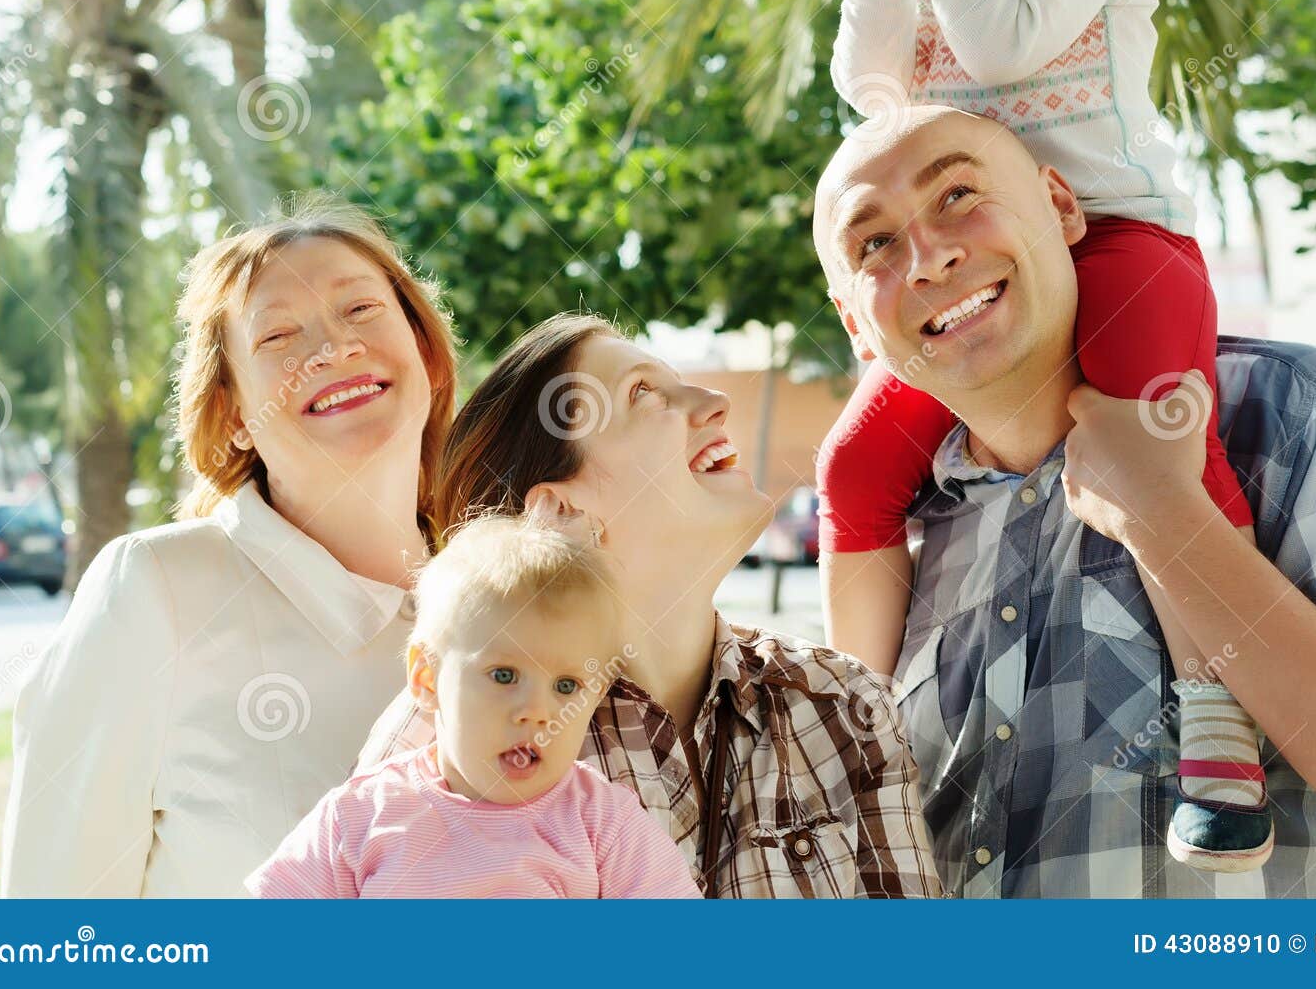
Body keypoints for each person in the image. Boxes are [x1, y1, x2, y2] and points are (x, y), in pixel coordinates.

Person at [821, 0, 1271, 871]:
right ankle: (864, 747)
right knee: (856, 469)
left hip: (1119, 245)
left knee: (1150, 450)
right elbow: (870, 81)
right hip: (992, 271)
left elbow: (1008, 42)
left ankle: (1220, 727)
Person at [812, 104, 1316, 896]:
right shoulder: (904, 530)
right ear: (855, 321)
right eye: (875, 242)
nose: (928, 255)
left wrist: (1165, 516)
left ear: (1061, 207)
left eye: (957, 193)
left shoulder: (1283, 406)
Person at [355, 313, 940, 898]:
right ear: (560, 514)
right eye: (644, 393)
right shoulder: (445, 735)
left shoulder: (843, 702)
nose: (715, 401)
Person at [2, 196, 458, 896]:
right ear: (236, 416)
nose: (334, 347)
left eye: (361, 309)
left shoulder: (505, 597)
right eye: (277, 336)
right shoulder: (156, 589)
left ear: (426, 355)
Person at [249, 517, 699, 898]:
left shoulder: (601, 821)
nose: (538, 712)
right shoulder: (362, 813)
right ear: (427, 679)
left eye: (567, 685)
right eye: (504, 675)